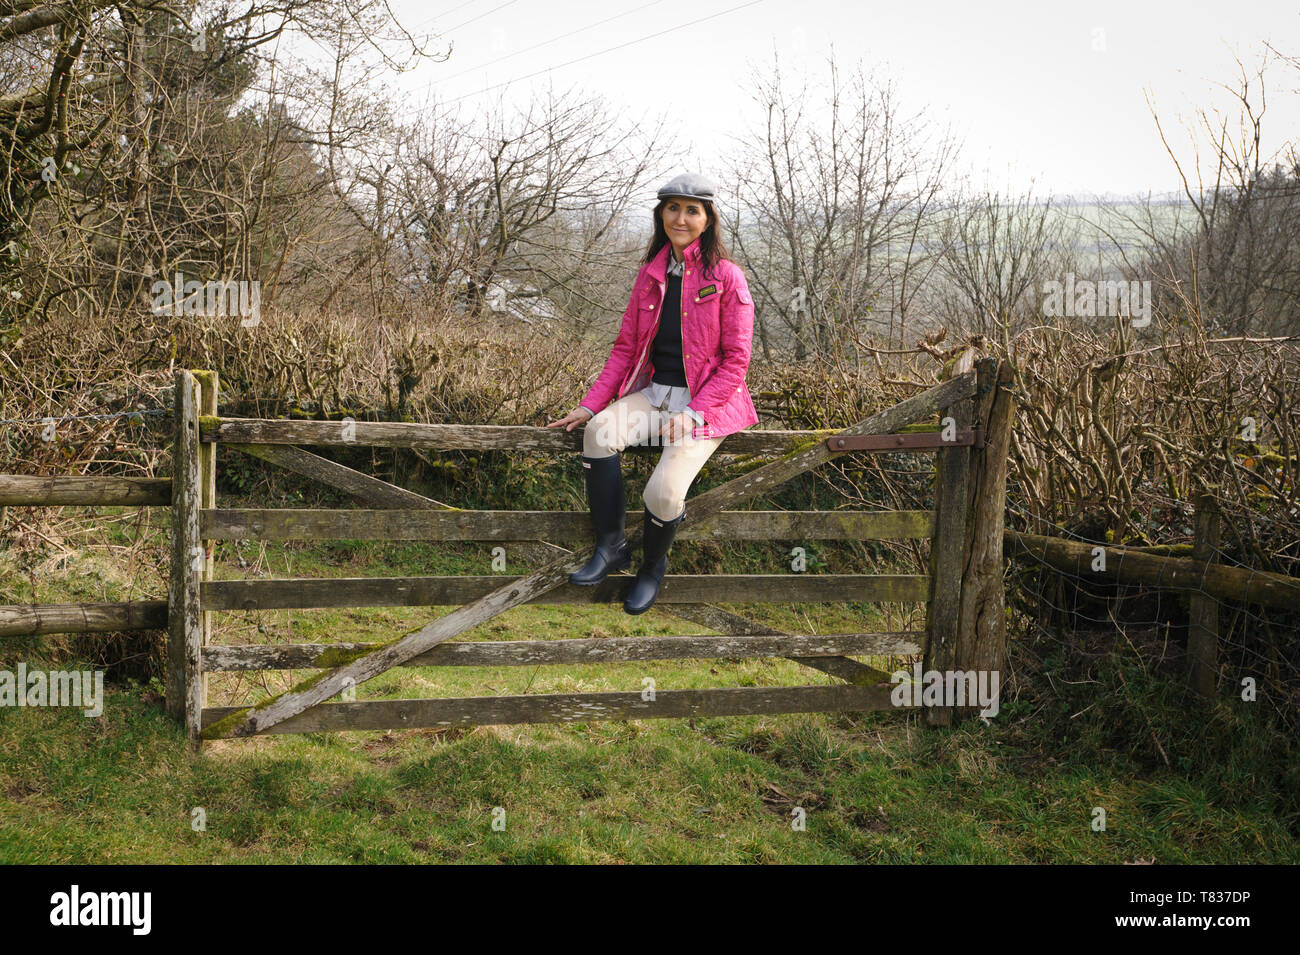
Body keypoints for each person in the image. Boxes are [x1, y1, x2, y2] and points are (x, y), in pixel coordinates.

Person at [546, 172, 758, 614]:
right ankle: (611, 548)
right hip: (655, 392)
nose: (680, 218)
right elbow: (625, 349)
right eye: (672, 208)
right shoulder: (651, 274)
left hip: (709, 404)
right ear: (661, 214)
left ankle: (651, 568)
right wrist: (588, 405)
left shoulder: (727, 277)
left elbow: (736, 361)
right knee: (599, 433)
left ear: (708, 218)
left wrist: (696, 413)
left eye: (691, 210)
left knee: (662, 496)